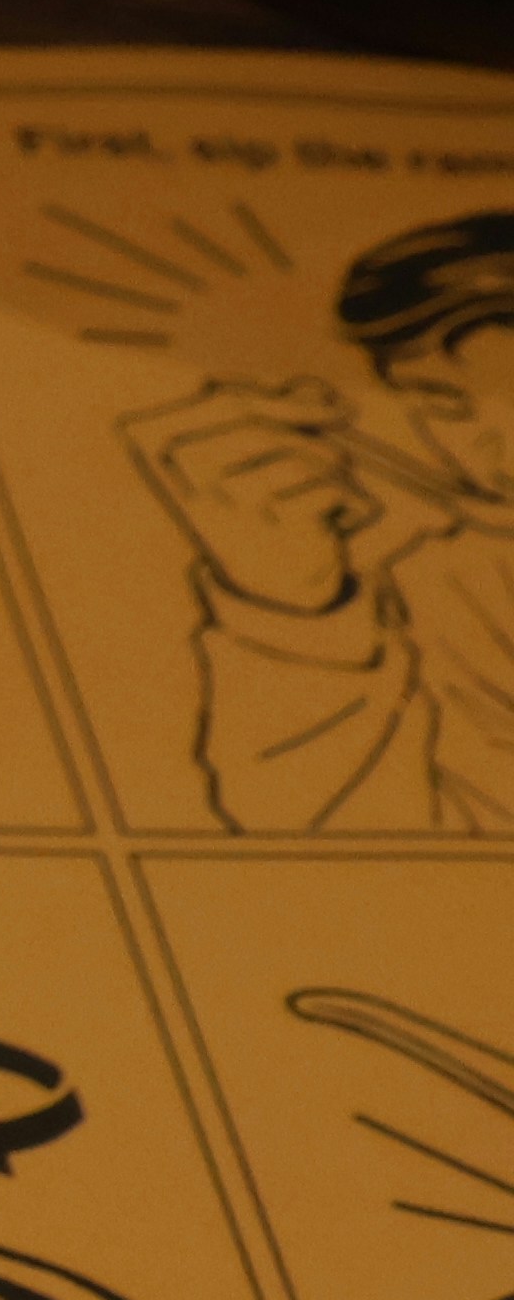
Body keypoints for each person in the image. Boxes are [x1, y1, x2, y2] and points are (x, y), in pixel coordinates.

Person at [122, 205, 514, 832]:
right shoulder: (445, 592)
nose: (502, 458)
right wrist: (293, 611)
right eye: (447, 406)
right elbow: (351, 859)